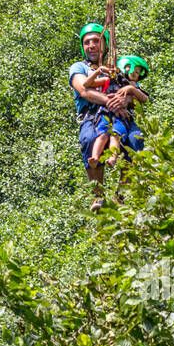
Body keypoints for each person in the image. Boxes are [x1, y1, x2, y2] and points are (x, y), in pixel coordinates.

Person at [69, 25, 147, 212]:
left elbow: (137, 94)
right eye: (87, 42)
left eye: (96, 41)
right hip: (93, 114)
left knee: (135, 140)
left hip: (122, 115)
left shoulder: (119, 67)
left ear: (104, 43)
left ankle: (124, 192)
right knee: (89, 139)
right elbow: (83, 90)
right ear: (83, 47)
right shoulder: (80, 68)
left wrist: (126, 99)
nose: (92, 45)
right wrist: (109, 102)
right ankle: (98, 194)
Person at [80, 54, 150, 168]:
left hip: (121, 117)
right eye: (133, 69)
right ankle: (95, 157)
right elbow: (87, 84)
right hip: (105, 113)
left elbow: (144, 99)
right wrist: (98, 72)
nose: (135, 73)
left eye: (138, 73)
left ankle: (112, 158)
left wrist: (132, 89)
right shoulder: (108, 79)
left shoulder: (132, 85)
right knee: (102, 134)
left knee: (116, 136)